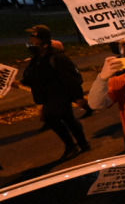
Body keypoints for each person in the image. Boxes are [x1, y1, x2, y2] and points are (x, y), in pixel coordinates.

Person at [21, 25, 91, 161]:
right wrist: (22, 82)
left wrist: (78, 97)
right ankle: (82, 144)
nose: (31, 43)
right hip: (47, 97)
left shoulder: (57, 58)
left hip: (60, 97)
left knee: (53, 119)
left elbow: (73, 78)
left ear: (45, 44)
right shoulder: (36, 59)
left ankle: (72, 146)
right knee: (68, 120)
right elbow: (34, 76)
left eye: (34, 40)